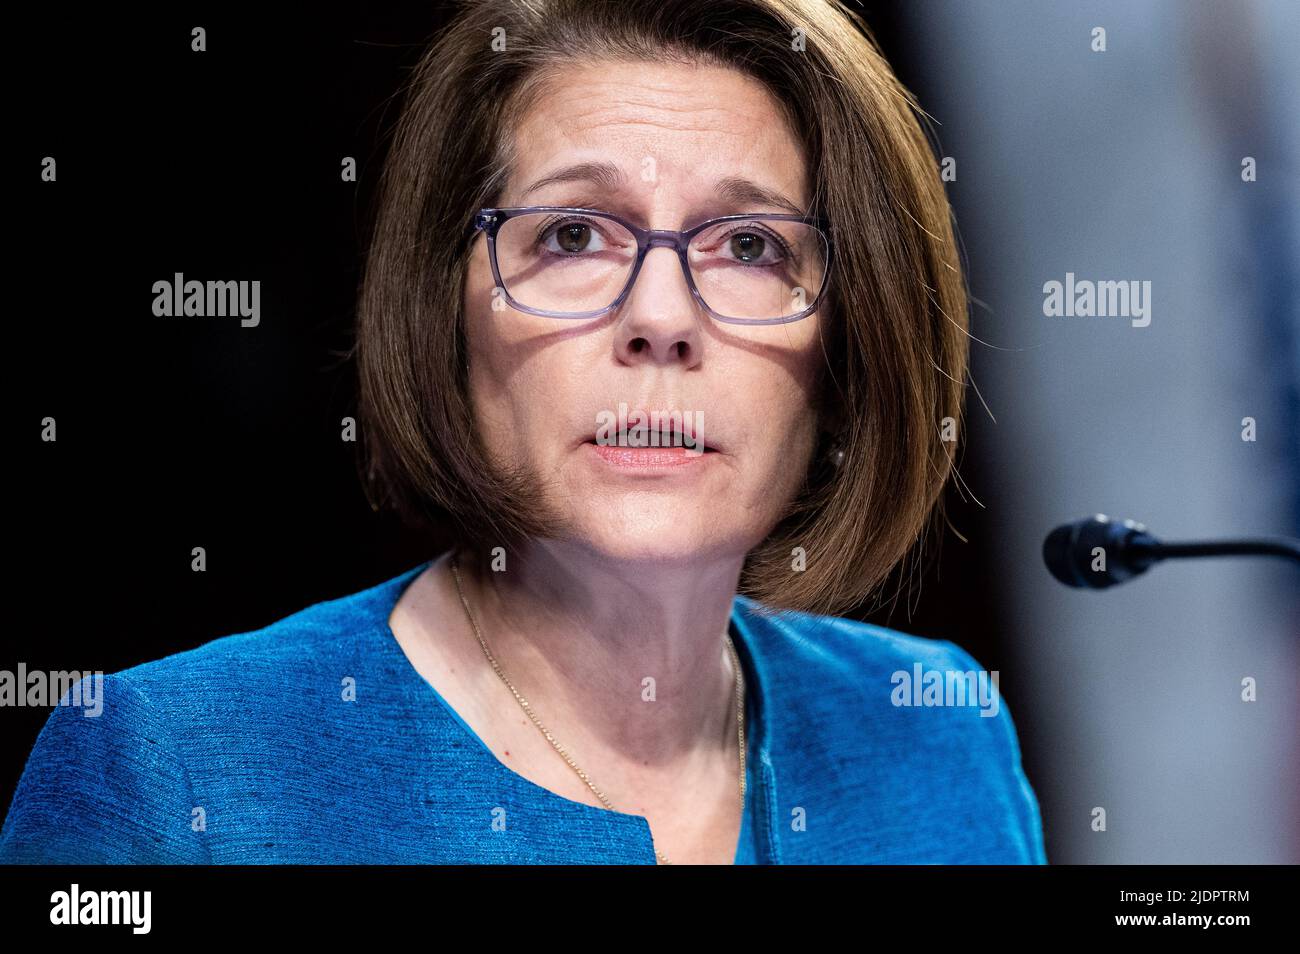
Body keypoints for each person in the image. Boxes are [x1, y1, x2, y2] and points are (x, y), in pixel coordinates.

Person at [0, 0, 1046, 865]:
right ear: (444, 310)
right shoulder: (172, 769)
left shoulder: (939, 732)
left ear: (848, 340)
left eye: (748, 246)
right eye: (574, 235)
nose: (662, 320)